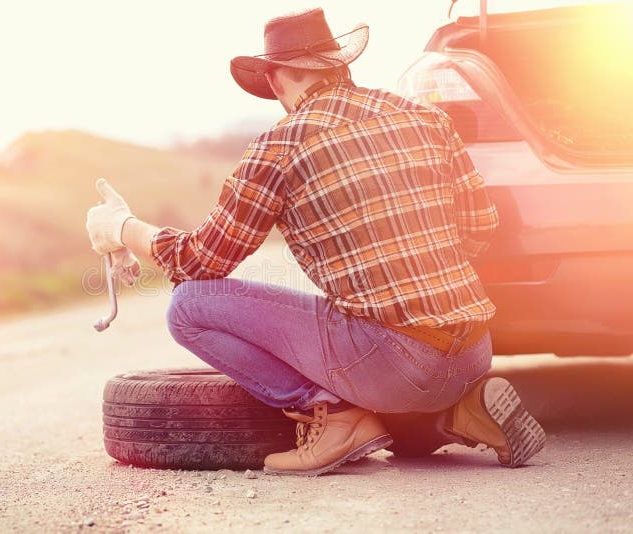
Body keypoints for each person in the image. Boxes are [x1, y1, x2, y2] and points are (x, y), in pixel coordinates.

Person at [86, 8, 545, 476]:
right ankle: (461, 408)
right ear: (338, 64)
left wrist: (121, 226)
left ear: (285, 76)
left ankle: (336, 418)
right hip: (473, 349)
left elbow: (201, 260)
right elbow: (480, 226)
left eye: (271, 78)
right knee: (402, 407)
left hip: (395, 365)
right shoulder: (424, 118)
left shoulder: (279, 147)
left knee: (188, 306)